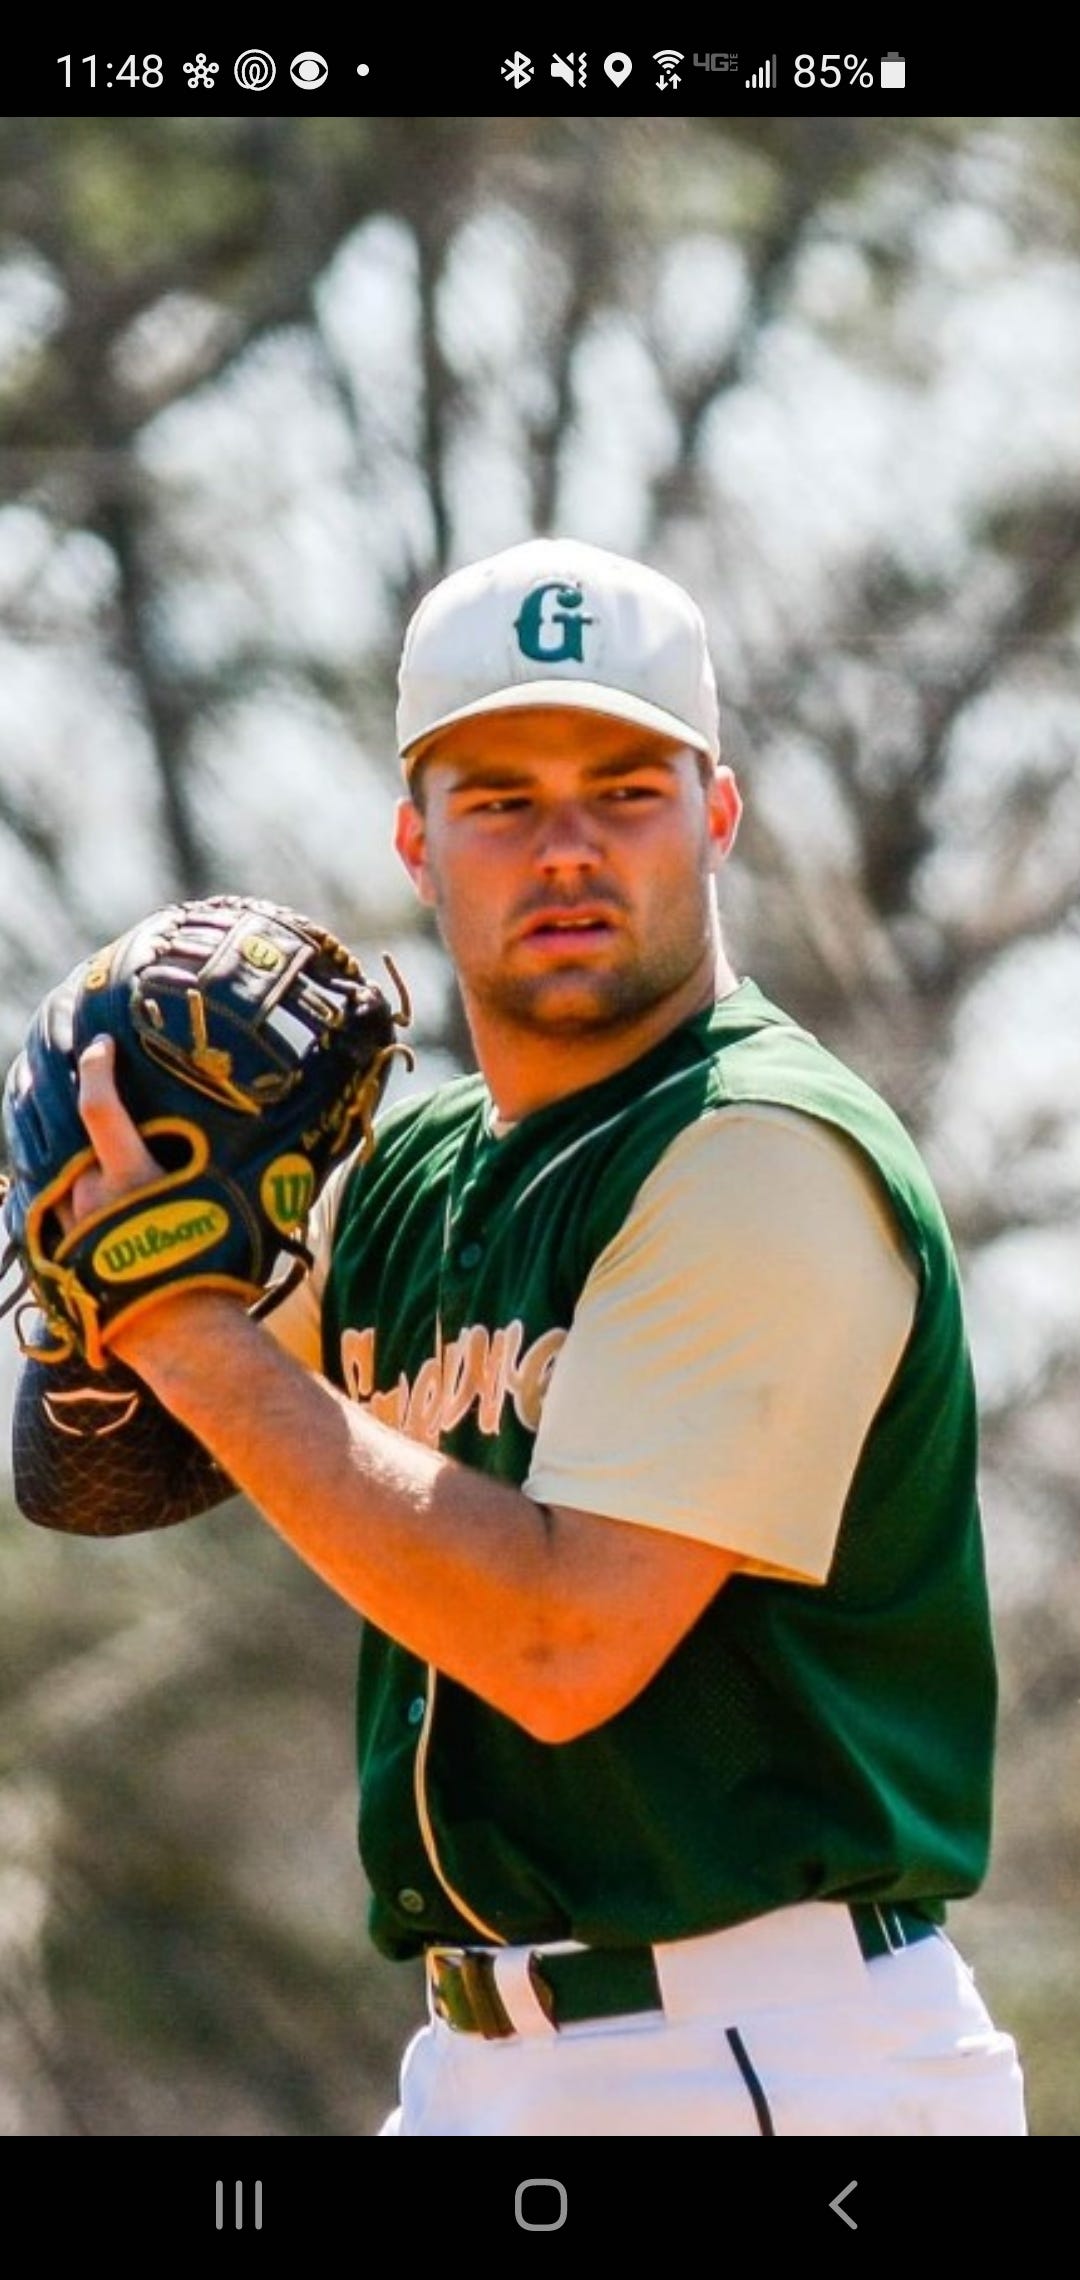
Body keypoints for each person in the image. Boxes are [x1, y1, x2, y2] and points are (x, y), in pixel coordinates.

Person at [10, 536, 1027, 2137]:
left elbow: (564, 1646)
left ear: (717, 814)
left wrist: (182, 1324)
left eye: (623, 788)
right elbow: (99, 1468)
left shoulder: (757, 1150)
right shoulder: (416, 1174)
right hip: (492, 2062)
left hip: (769, 2052)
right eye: (501, 800)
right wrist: (103, 1234)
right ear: (418, 842)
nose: (566, 847)